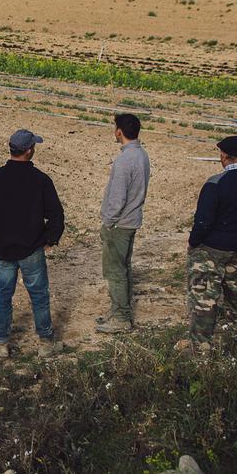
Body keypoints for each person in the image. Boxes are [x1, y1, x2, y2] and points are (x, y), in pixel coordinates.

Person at [0, 129, 65, 357]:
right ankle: (46, 343)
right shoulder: (40, 180)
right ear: (29, 150)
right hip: (32, 248)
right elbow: (56, 214)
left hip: (2, 249)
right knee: (39, 296)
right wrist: (50, 239)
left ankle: (1, 344)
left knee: (4, 295)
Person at [186, 135, 237, 350]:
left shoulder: (215, 183)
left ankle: (202, 349)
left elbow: (203, 221)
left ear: (224, 156)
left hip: (211, 250)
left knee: (205, 301)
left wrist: (194, 243)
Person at [95, 113, 150, 334]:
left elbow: (117, 199)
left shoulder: (124, 160)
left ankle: (121, 318)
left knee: (115, 271)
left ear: (119, 131)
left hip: (119, 224)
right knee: (124, 268)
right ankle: (120, 311)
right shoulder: (142, 155)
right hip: (131, 221)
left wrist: (108, 222)